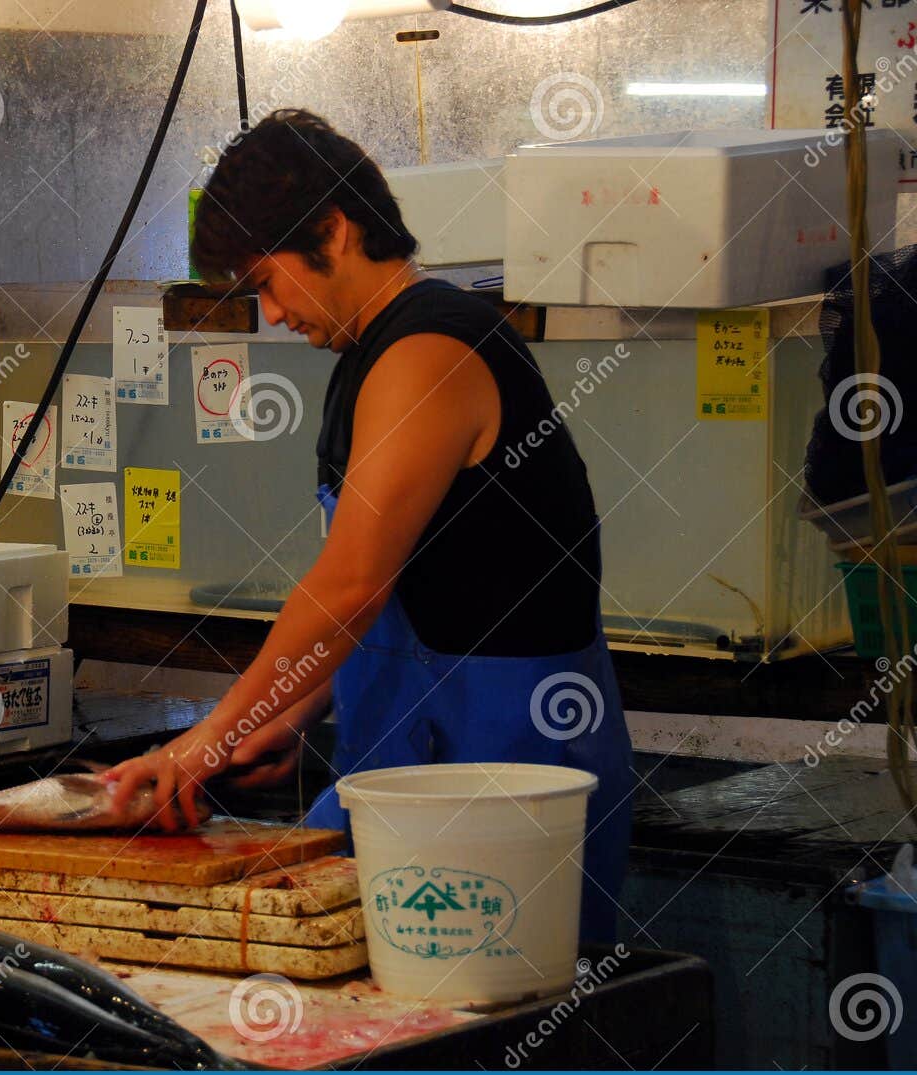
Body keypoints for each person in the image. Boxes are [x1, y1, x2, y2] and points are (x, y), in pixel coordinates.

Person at [108, 110, 634, 941]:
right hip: (406, 776)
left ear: (334, 231)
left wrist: (208, 740)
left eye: (268, 282)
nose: (272, 313)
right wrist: (284, 713)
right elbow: (396, 597)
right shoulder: (368, 358)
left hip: (506, 784)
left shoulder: (432, 350)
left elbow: (351, 585)